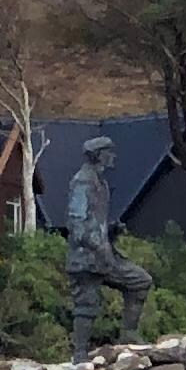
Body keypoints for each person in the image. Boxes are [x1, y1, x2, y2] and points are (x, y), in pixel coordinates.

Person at [64, 132, 153, 356]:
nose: (113, 157)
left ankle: (128, 333)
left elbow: (94, 221)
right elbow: (77, 223)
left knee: (140, 281)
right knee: (86, 305)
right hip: (86, 257)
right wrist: (96, 243)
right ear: (99, 155)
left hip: (105, 255)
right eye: (109, 152)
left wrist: (111, 230)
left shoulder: (99, 181)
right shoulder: (82, 181)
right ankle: (80, 353)